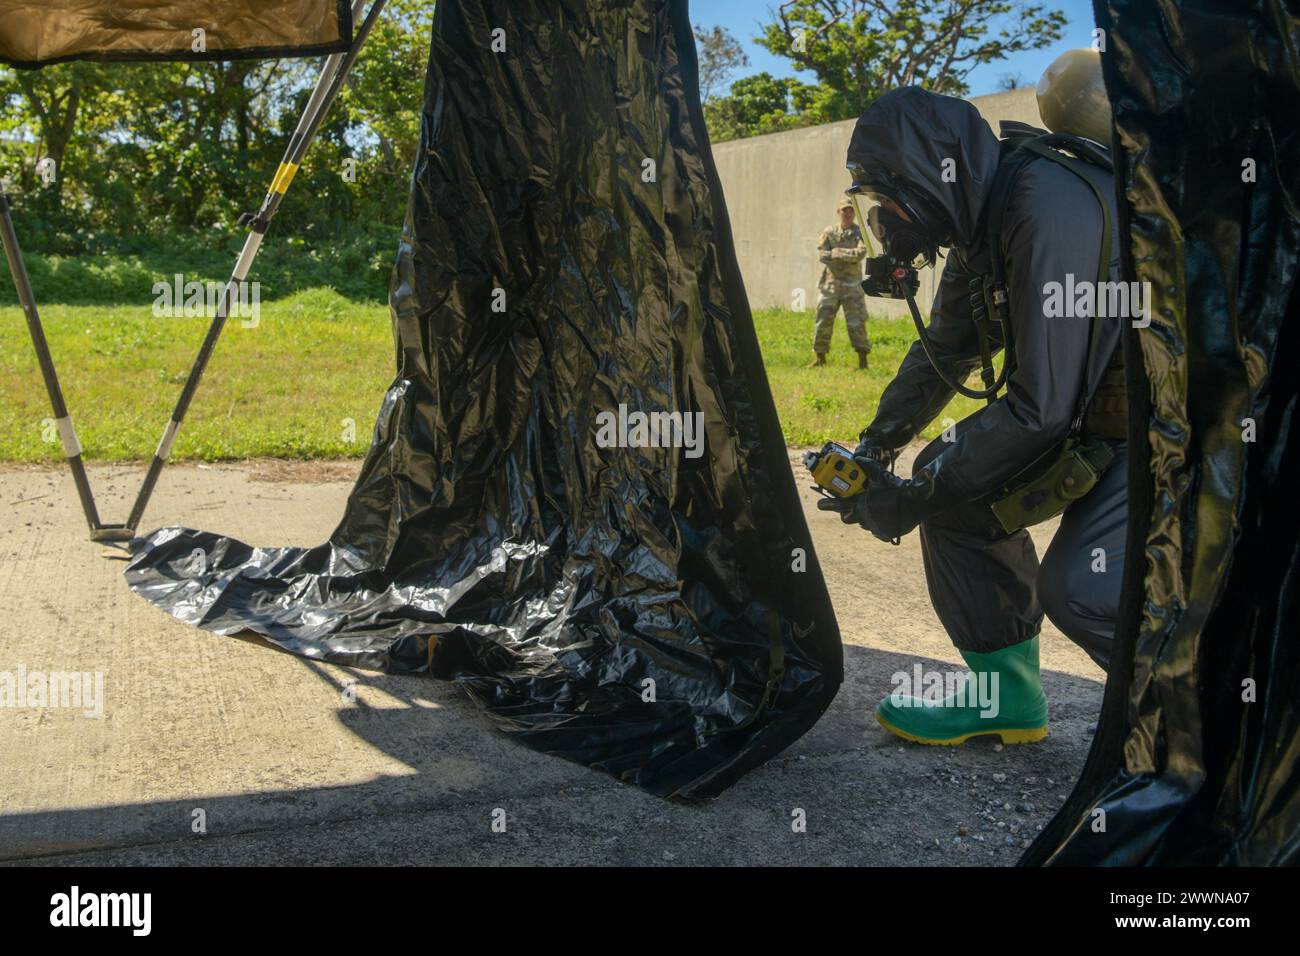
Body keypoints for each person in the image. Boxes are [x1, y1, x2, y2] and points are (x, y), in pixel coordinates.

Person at [819, 86, 1128, 746]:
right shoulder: (981, 217)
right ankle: (1007, 698)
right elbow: (947, 349)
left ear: (930, 176)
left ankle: (1218, 738)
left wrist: (913, 500)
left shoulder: (1046, 205)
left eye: (888, 201)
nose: (884, 224)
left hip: (1179, 425)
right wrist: (877, 450)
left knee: (1083, 591)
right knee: (956, 486)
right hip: (1091, 416)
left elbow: (1040, 409)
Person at [810, 200, 871, 369]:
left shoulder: (859, 232)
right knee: (823, 322)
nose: (848, 214)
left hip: (852, 286)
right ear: (839, 212)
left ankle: (863, 362)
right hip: (830, 286)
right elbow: (822, 254)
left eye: (851, 211)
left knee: (856, 323)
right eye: (845, 211)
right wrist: (837, 255)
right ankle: (820, 358)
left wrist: (838, 253)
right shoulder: (830, 232)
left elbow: (860, 253)